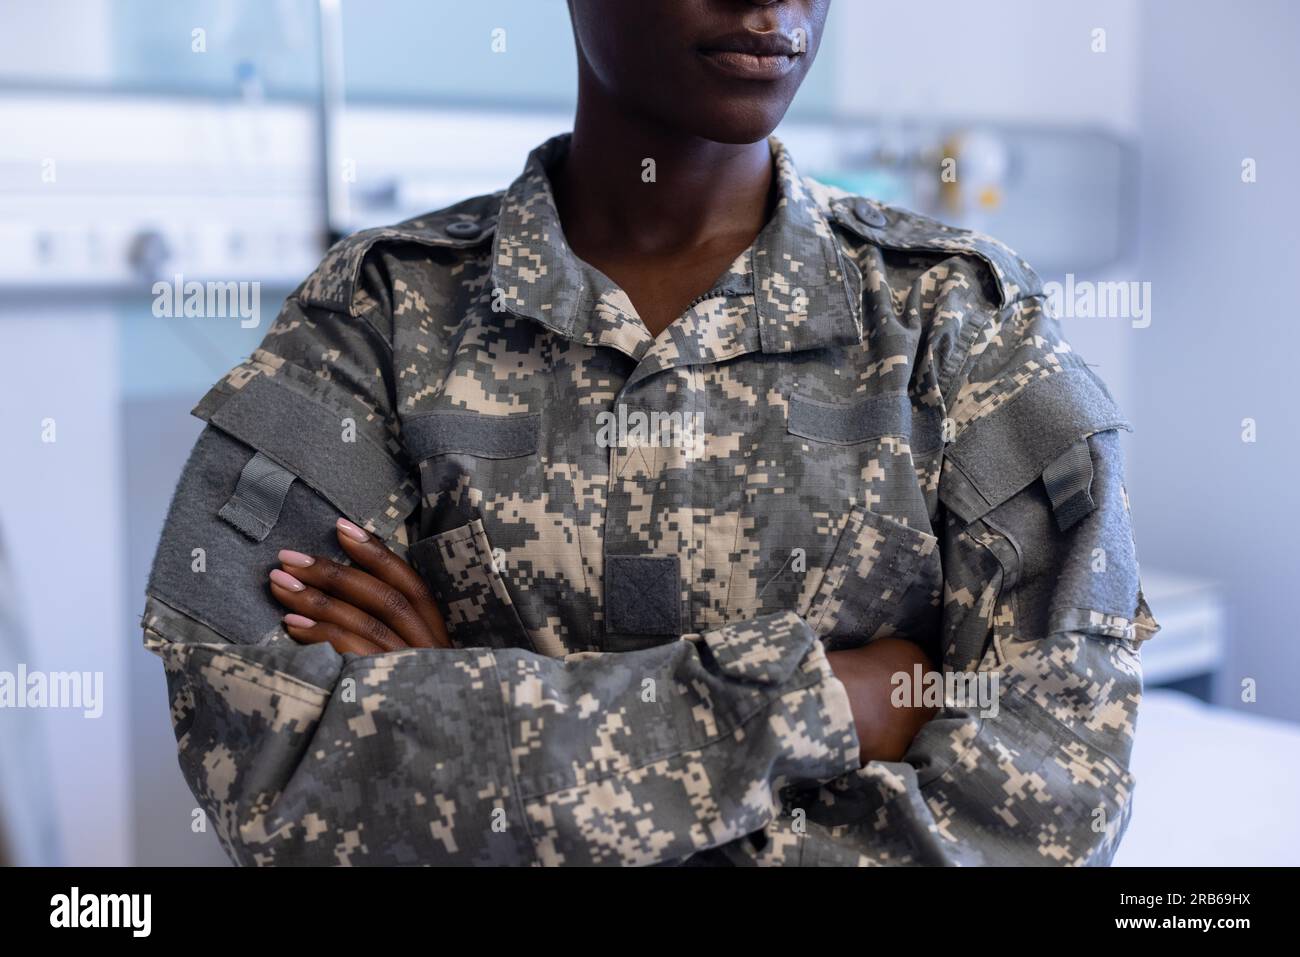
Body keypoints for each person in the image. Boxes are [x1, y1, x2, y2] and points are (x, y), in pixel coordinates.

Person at [143, 0, 1158, 866]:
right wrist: (825, 704)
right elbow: (274, 785)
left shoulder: (956, 323)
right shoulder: (377, 317)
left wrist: (448, 711)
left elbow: (1050, 805)